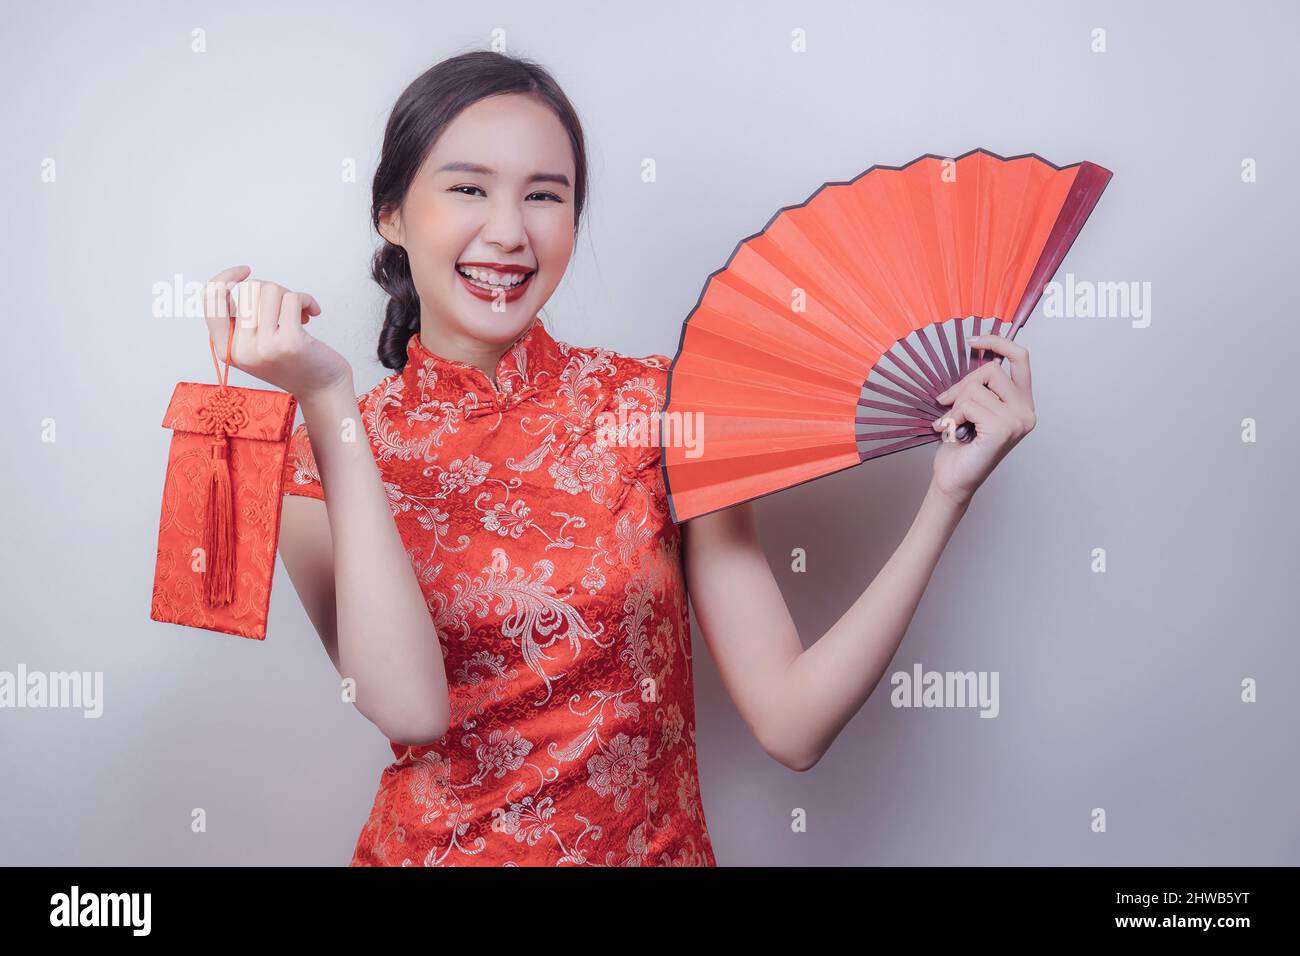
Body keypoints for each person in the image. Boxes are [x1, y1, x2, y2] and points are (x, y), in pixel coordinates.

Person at [200, 50, 1037, 867]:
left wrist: (945, 499)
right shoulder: (316, 457)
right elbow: (410, 710)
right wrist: (329, 398)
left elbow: (793, 722)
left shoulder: (662, 409)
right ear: (391, 213)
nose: (507, 231)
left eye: (544, 195)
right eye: (467, 188)